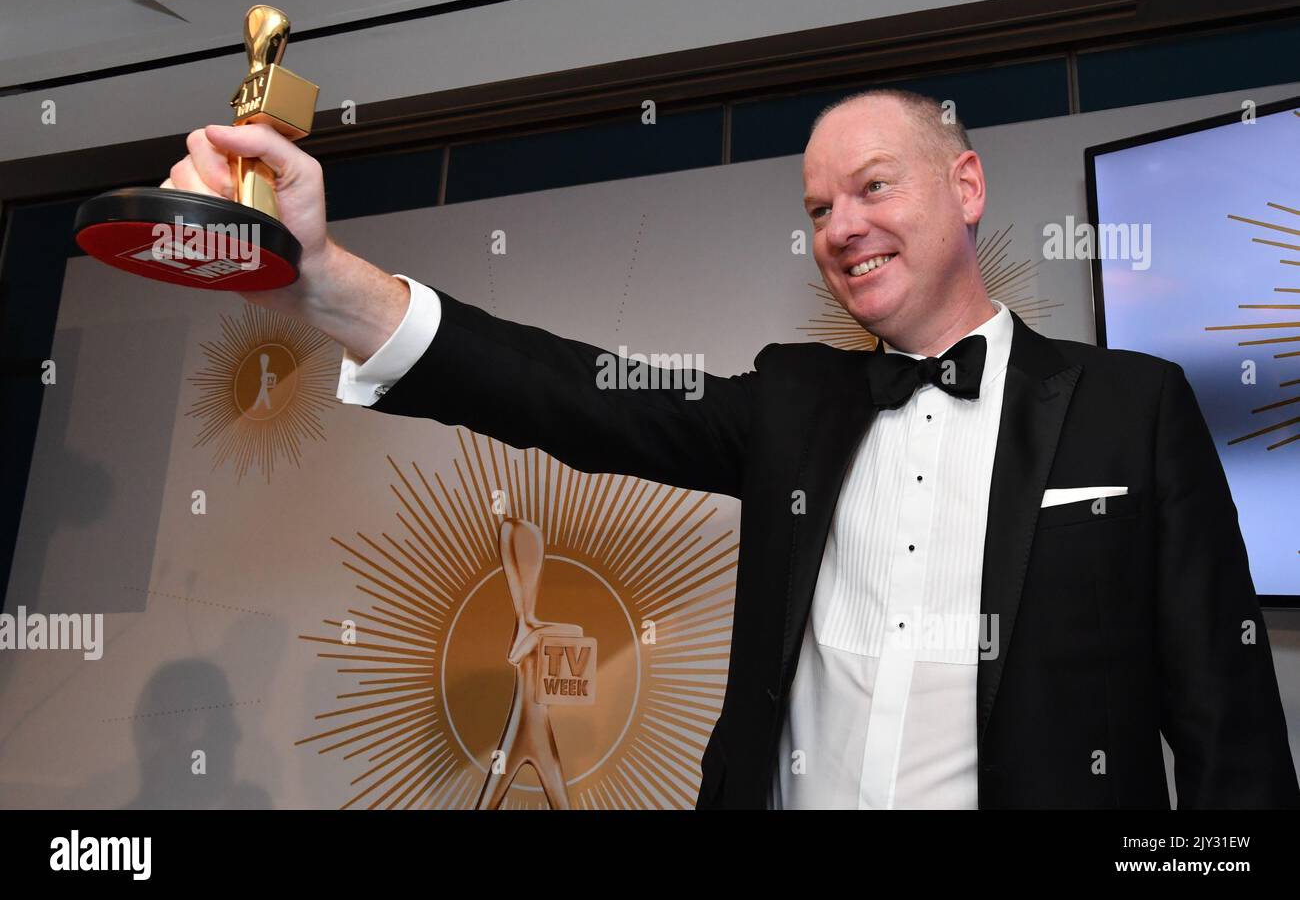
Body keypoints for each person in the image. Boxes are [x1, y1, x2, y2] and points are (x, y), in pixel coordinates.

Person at [162, 88, 1300, 809]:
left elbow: (1225, 723)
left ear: (964, 185)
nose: (839, 227)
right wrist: (319, 273)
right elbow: (574, 393)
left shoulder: (1132, 405)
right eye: (816, 208)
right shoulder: (794, 397)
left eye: (870, 186)